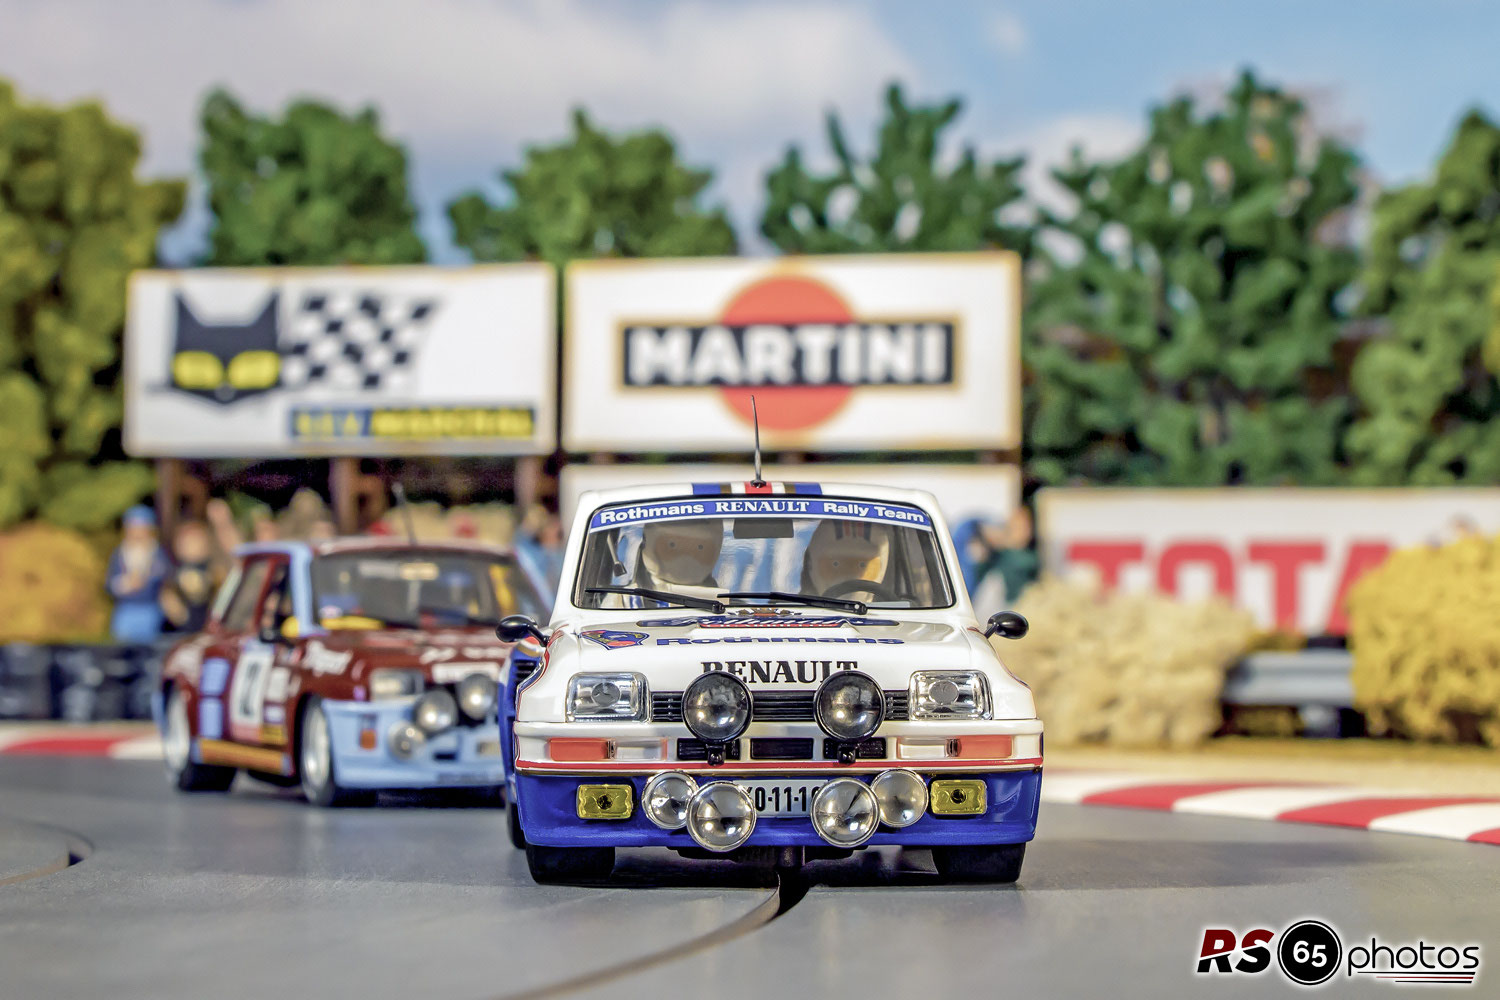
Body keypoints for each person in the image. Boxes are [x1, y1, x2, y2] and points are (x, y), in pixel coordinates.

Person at [107, 506, 171, 643]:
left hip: (149, 608)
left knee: (149, 645)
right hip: (126, 608)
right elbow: (109, 583)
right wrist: (124, 583)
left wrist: (147, 577)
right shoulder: (120, 553)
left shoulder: (156, 552)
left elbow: (164, 574)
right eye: (133, 529)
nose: (137, 534)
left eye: (142, 529)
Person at [801, 519, 892, 601]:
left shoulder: (897, 610)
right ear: (811, 565)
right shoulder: (796, 606)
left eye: (863, 565)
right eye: (835, 564)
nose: (851, 575)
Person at [160, 519, 217, 633]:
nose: (190, 546)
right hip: (182, 630)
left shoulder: (214, 571)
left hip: (207, 626)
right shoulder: (175, 573)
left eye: (195, 541)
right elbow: (168, 596)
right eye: (185, 542)